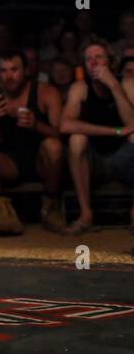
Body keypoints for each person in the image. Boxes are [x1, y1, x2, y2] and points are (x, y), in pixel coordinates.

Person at [0, 50, 66, 234]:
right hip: (11, 164)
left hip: (42, 162)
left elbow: (61, 134)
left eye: (14, 70)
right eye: (3, 71)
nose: (9, 76)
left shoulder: (46, 92)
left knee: (53, 145)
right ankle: (4, 213)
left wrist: (36, 125)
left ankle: (51, 206)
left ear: (26, 70)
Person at [60, 41, 134, 234]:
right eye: (88, 59)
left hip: (124, 159)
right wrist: (115, 131)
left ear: (110, 62)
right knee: (76, 139)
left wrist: (114, 86)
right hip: (96, 163)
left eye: (99, 57)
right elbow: (65, 125)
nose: (93, 62)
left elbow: (131, 124)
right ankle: (86, 215)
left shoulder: (126, 84)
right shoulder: (80, 88)